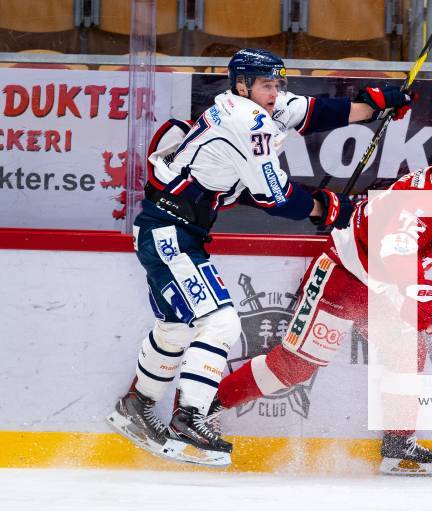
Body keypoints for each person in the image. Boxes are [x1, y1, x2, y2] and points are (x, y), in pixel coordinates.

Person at [106, 48, 412, 467]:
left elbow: (310, 113)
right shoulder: (245, 123)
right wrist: (329, 208)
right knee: (221, 322)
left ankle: (135, 407)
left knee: (176, 327)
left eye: (277, 83)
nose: (276, 92)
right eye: (268, 84)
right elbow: (277, 197)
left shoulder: (251, 104)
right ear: (242, 84)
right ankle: (189, 417)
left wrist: (374, 105)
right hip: (170, 233)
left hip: (175, 231)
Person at [210, 154, 432, 475]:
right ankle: (202, 406)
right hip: (342, 278)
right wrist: (417, 301)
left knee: (408, 353)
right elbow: (397, 261)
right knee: (293, 368)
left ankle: (398, 443)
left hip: (381, 287)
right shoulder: (411, 212)